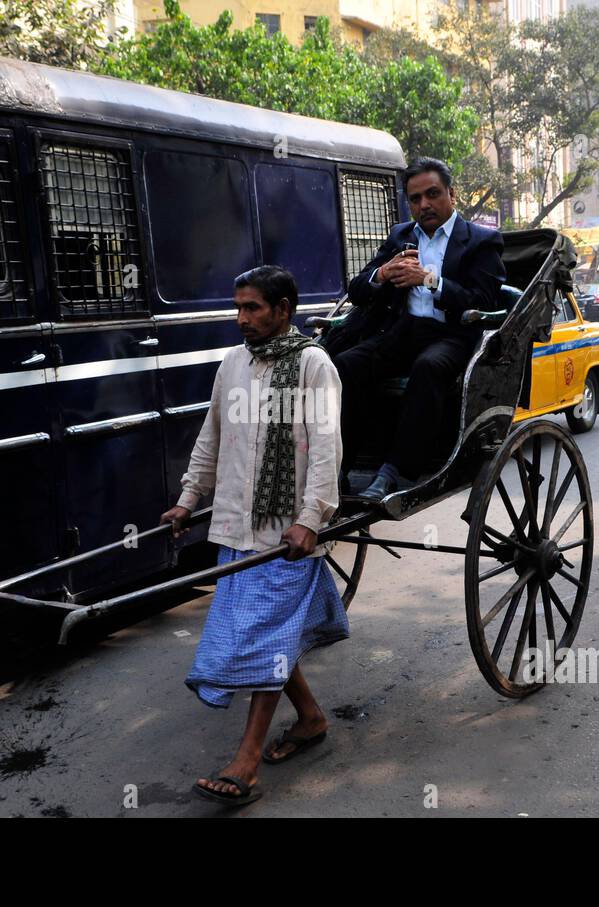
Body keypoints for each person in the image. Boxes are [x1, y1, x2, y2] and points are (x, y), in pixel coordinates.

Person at [160, 265, 345, 807]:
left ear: (283, 309)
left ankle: (246, 761)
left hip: (286, 530)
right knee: (265, 629)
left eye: (253, 309)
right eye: (238, 308)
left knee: (264, 635)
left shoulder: (314, 365)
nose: (241, 319)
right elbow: (211, 436)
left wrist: (312, 518)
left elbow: (326, 446)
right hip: (237, 524)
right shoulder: (233, 363)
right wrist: (188, 499)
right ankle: (309, 718)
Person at [332, 157, 505, 501]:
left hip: (454, 334)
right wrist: (382, 275)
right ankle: (339, 467)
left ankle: (395, 471)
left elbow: (483, 301)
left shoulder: (480, 241)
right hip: (402, 332)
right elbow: (357, 289)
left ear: (451, 195)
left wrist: (429, 280)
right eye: (415, 199)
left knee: (428, 367)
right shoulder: (400, 236)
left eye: (432, 194)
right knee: (346, 365)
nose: (424, 205)